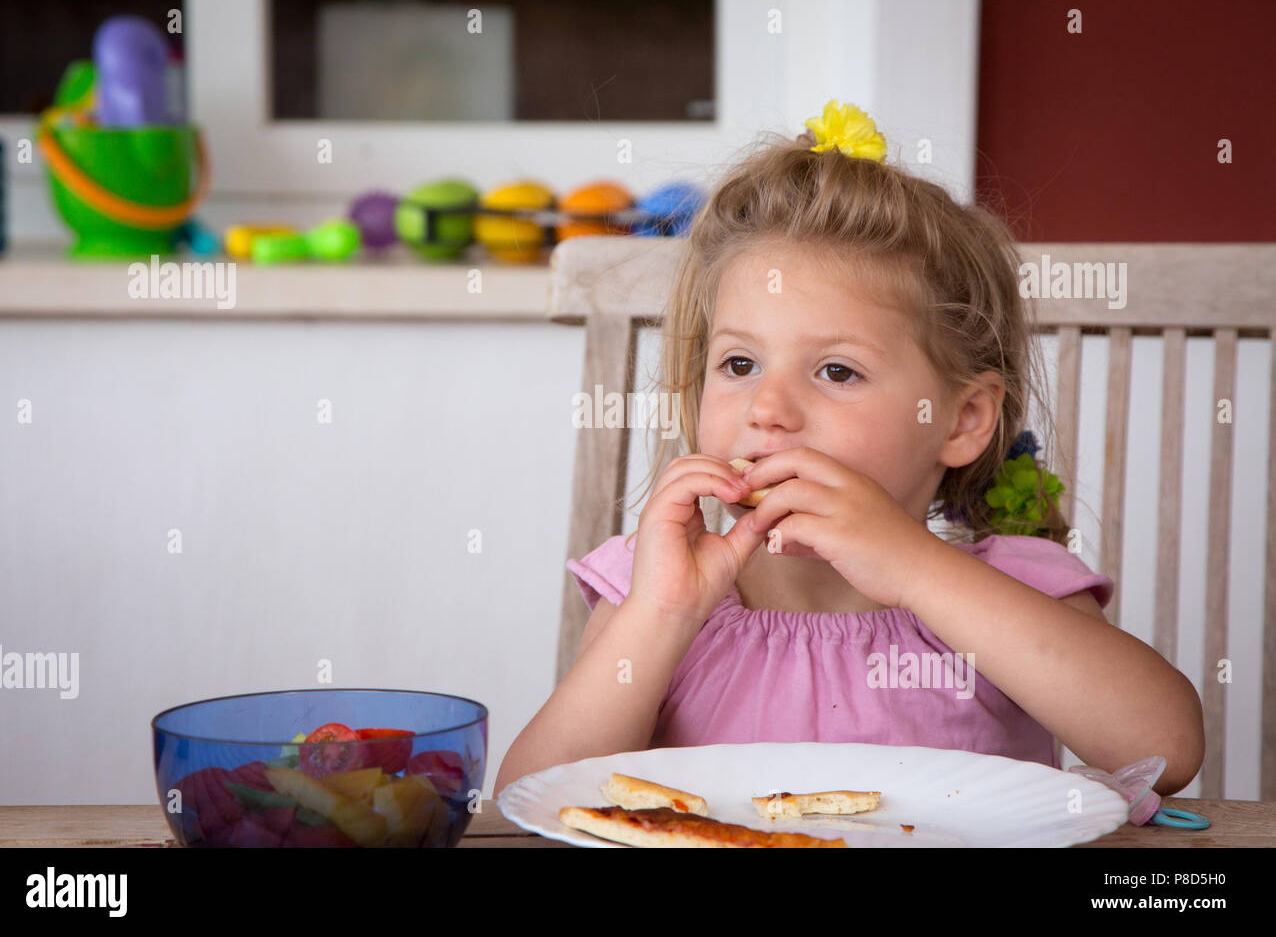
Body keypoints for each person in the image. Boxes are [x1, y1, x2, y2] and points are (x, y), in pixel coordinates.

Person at [495, 101, 1204, 799]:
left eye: (837, 371)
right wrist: (664, 613)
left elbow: (1166, 752)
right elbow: (531, 801)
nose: (768, 410)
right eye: (739, 365)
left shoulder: (1009, 588)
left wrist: (913, 566)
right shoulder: (659, 590)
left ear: (963, 420)